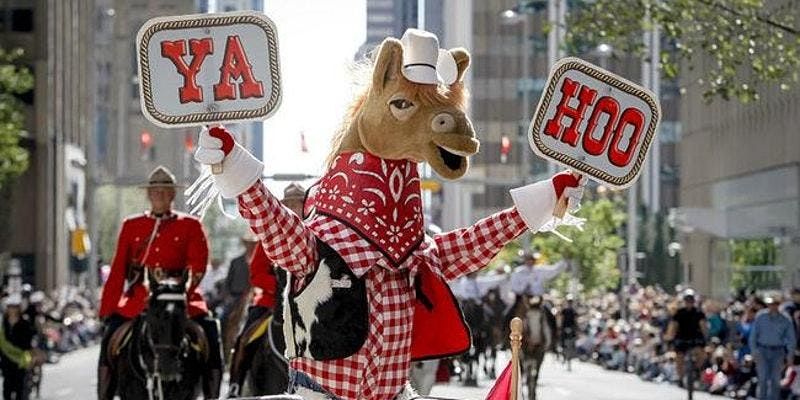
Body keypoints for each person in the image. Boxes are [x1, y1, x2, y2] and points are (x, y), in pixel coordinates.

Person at [96, 166, 222, 400]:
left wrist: (179, 288)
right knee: (109, 340)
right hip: (138, 301)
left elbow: (198, 265)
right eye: (156, 192)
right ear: (149, 195)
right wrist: (107, 309)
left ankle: (213, 395)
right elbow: (117, 271)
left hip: (180, 297)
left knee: (211, 336)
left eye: (166, 192)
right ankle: (104, 395)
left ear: (173, 195)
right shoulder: (131, 226)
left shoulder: (190, 225)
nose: (160, 196)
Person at [227, 183, 304, 397]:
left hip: (308, 303)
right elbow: (256, 273)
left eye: (298, 203)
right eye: (289, 204)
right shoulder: (270, 233)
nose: (294, 208)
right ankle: (235, 383)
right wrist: (282, 289)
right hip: (271, 303)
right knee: (246, 337)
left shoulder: (316, 231)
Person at [750, 296, 796, 400]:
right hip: (762, 350)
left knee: (776, 379)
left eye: (775, 304)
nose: (772, 306)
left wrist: (790, 355)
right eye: (770, 304)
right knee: (763, 378)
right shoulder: (761, 316)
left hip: (778, 351)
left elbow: (791, 338)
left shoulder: (785, 319)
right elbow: (753, 335)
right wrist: (754, 351)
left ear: (778, 305)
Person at [666, 289, 707, 386]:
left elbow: (703, 326)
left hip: (695, 338)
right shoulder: (679, 312)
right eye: (687, 300)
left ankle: (697, 369)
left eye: (691, 300)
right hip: (682, 338)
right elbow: (674, 326)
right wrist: (670, 337)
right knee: (679, 357)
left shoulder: (699, 313)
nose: (689, 302)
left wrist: (706, 337)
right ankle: (680, 378)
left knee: (701, 353)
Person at [0, 294, 36, 400]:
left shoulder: (24, 323)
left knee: (20, 389)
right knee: (7, 389)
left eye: (15, 307)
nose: (12, 309)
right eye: (10, 307)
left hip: (20, 361)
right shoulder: (3, 323)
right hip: (6, 361)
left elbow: (28, 342)